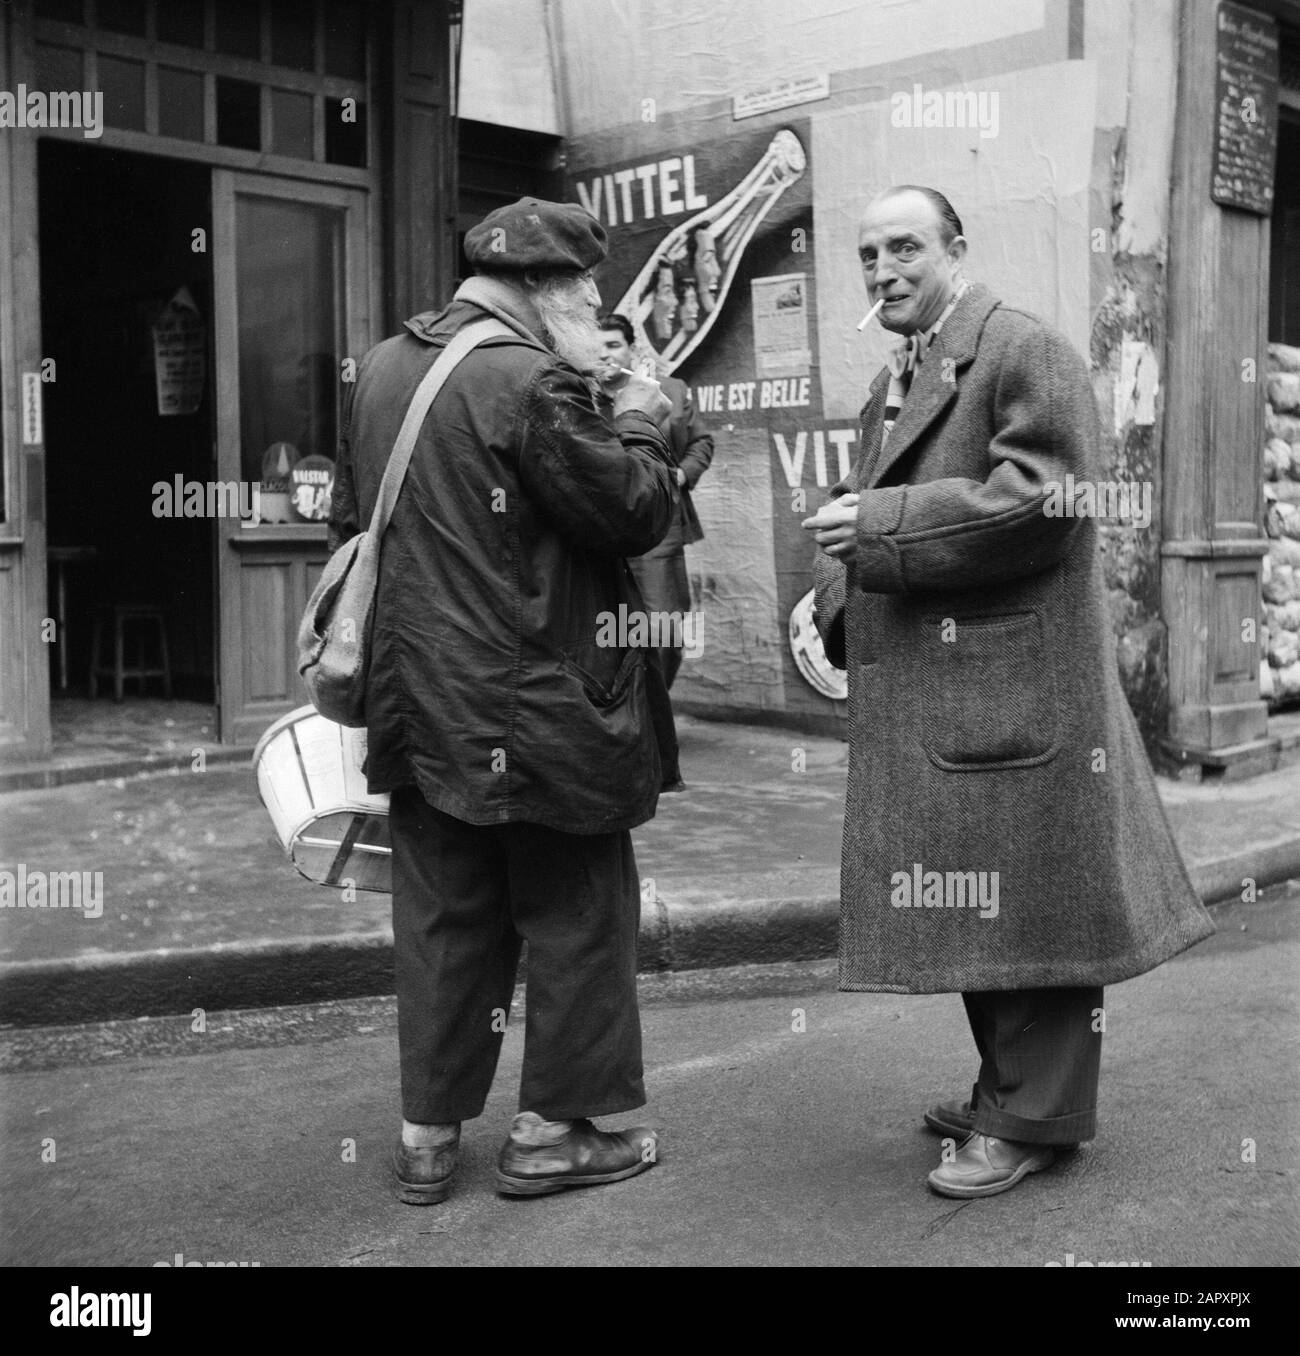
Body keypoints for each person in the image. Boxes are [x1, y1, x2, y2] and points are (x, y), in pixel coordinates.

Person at [802, 185, 1215, 1199]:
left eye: (904, 247)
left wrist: (881, 530)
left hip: (1014, 692)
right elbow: (863, 514)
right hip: (953, 696)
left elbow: (1045, 501)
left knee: (1036, 902)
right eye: (866, 256)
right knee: (984, 905)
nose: (883, 269)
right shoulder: (899, 373)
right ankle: (1009, 1088)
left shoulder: (1021, 348)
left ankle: (1032, 1118)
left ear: (957, 248)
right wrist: (837, 602)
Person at [329, 197, 676, 1204]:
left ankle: (427, 1139)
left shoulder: (384, 369)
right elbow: (629, 509)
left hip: (417, 701)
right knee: (573, 910)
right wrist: (644, 415)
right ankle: (551, 1134)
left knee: (442, 916)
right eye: (589, 291)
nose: (596, 308)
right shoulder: (533, 379)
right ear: (545, 289)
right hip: (539, 707)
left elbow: (357, 523)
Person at [596, 312, 713, 699]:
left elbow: (701, 442)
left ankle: (650, 711)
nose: (605, 354)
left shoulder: (671, 390)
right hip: (601, 532)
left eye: (613, 345)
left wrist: (681, 474)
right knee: (610, 629)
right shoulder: (578, 395)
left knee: (667, 629)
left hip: (660, 527)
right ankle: (625, 715)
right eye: (597, 346)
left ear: (632, 349)